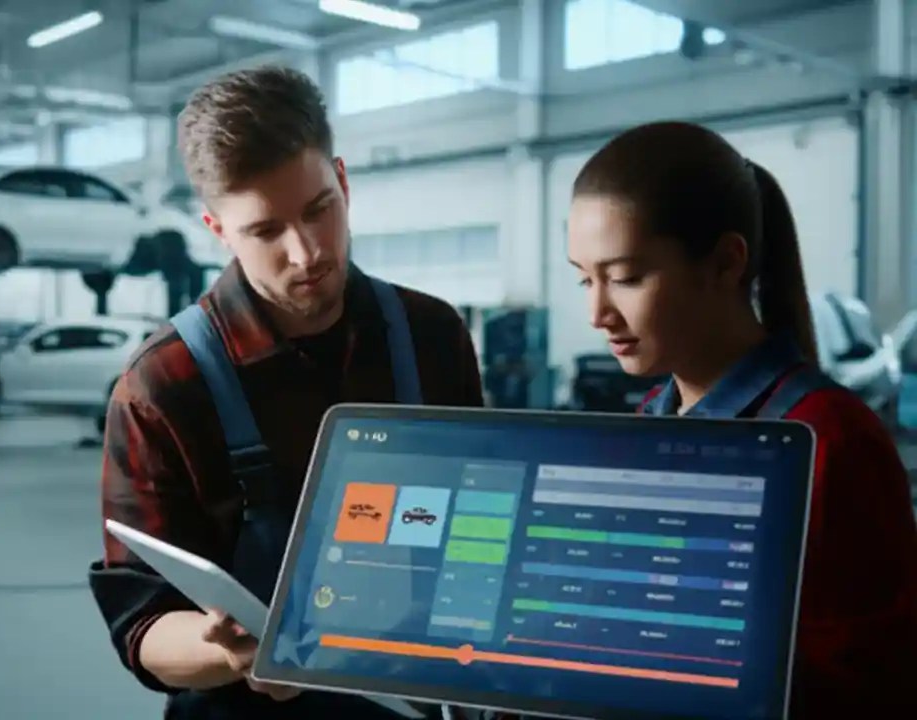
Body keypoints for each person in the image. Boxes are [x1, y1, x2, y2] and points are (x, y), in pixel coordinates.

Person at [87, 65, 486, 720]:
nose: (305, 254)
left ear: (344, 182)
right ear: (218, 229)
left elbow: (480, 513)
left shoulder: (431, 335)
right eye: (265, 231)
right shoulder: (161, 386)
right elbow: (142, 620)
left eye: (319, 210)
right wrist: (232, 653)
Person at [560, 120, 917, 717]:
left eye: (624, 278)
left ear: (726, 262)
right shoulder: (651, 420)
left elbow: (877, 682)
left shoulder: (829, 439)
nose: (597, 311)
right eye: (584, 278)